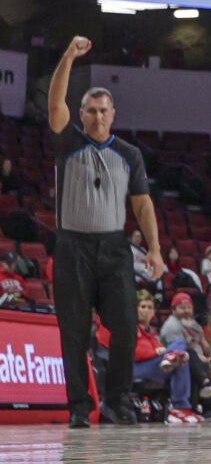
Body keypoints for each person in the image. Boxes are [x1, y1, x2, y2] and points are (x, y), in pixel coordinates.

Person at [46, 36, 164, 429]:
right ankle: (80, 407)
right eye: (91, 110)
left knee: (126, 328)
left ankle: (118, 403)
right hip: (72, 246)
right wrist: (68, 57)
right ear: (82, 114)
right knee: (74, 333)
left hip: (114, 247)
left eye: (103, 110)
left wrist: (155, 249)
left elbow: (142, 204)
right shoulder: (67, 143)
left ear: (114, 114)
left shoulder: (129, 154)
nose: (97, 117)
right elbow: (54, 104)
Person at [99, 289, 197, 424]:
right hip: (133, 367)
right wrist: (158, 352)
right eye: (142, 307)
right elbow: (134, 353)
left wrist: (161, 352)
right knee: (178, 349)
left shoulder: (150, 331)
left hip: (152, 365)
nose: (146, 310)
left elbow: (156, 349)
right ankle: (180, 405)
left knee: (181, 358)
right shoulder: (127, 326)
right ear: (135, 308)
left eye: (150, 307)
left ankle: (181, 409)